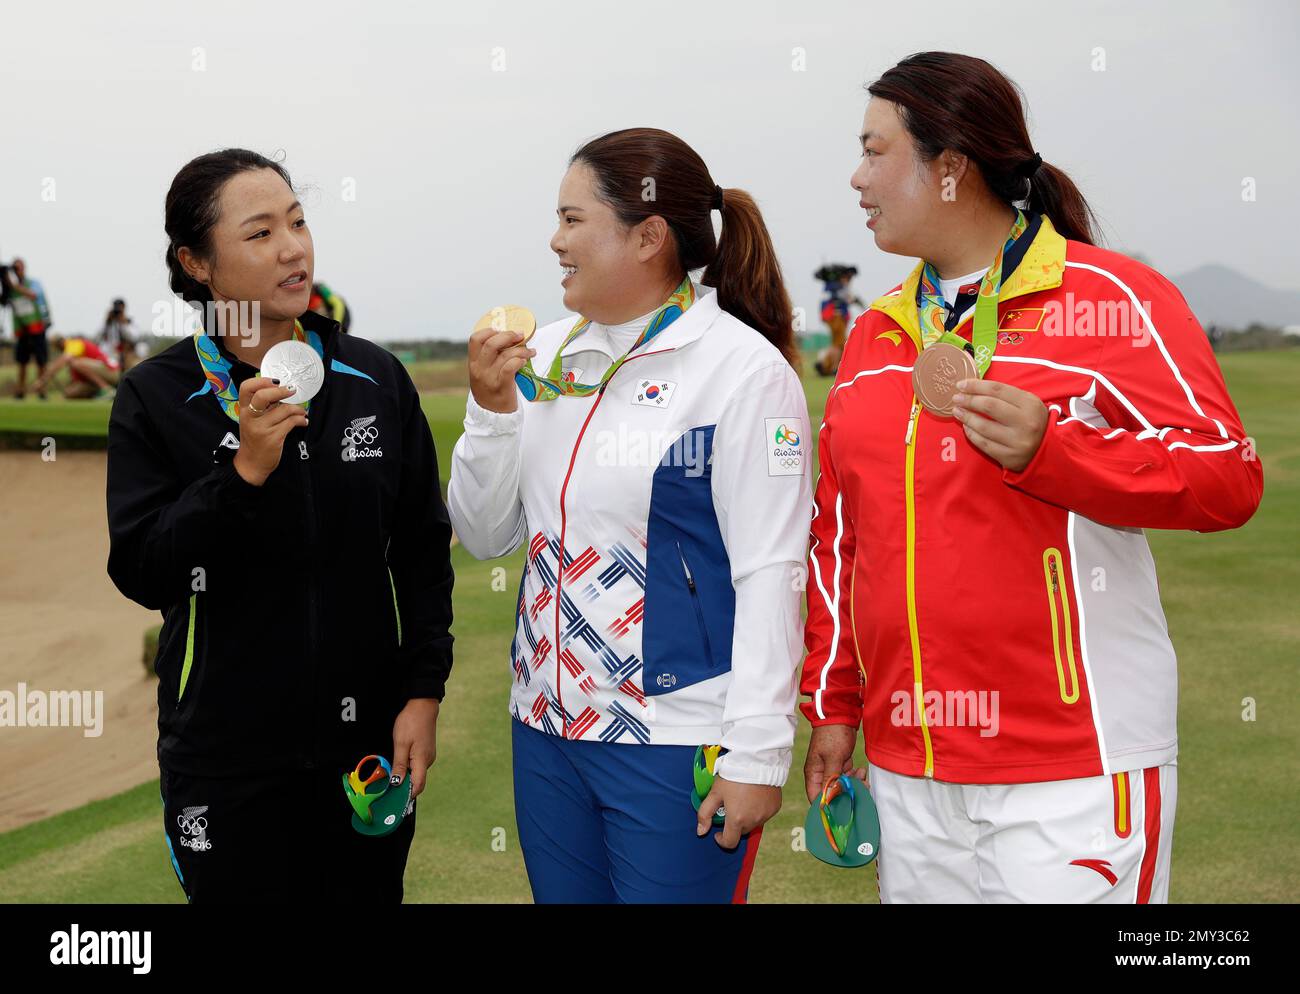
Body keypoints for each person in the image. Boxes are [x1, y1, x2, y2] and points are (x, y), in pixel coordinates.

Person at [800, 52, 1263, 904]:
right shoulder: (875, 337)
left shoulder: (1114, 299)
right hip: (911, 771)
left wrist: (1058, 452)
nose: (856, 177)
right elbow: (838, 537)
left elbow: (1228, 476)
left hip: (1072, 768)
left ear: (951, 167)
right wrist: (834, 702)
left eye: (875, 151)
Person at [447, 127, 813, 903]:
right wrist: (491, 412)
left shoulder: (743, 371)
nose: (555, 240)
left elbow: (772, 570)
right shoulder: (539, 356)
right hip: (544, 729)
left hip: (674, 739)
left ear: (648, 236)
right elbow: (483, 536)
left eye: (574, 220)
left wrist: (756, 756)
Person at [106, 148, 455, 904]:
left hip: (364, 751)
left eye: (297, 222)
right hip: (223, 761)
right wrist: (241, 477)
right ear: (197, 262)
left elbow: (423, 552)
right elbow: (142, 569)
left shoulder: (375, 379)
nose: (294, 247)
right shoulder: (155, 396)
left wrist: (423, 692)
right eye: (260, 233)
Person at [6, 257, 52, 400]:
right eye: (14, 268)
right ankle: (20, 391)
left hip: (37, 327)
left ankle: (41, 390)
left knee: (41, 360)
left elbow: (33, 295)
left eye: (18, 267)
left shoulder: (33, 283)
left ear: (24, 268)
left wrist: (15, 287)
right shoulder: (10, 288)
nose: (16, 270)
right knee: (22, 361)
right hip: (21, 329)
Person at [34, 333, 121, 398]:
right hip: (95, 378)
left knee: (76, 363)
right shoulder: (71, 351)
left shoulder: (73, 344)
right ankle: (98, 393)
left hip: (111, 371)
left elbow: (63, 360)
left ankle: (106, 389)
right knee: (68, 394)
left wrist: (42, 381)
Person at [101, 298, 136, 370]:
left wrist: (123, 322)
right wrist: (107, 321)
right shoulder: (110, 323)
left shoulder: (129, 321)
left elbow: (133, 336)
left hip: (127, 354)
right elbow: (103, 338)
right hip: (112, 354)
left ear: (124, 308)